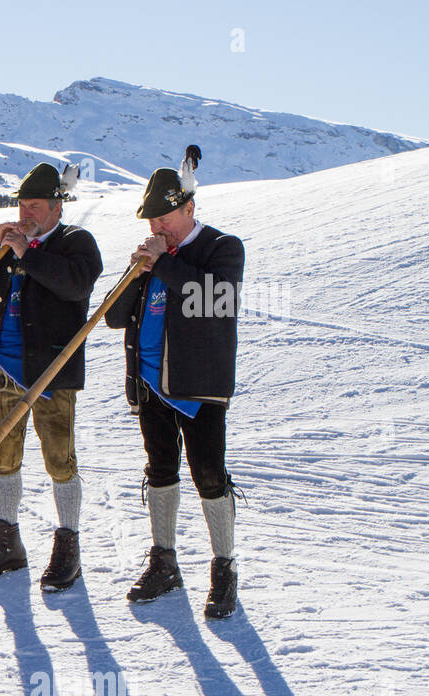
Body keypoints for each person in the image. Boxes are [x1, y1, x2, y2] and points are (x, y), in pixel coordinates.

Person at [104, 146, 245, 618]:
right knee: (159, 470)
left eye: (164, 216)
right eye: (150, 219)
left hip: (198, 385)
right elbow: (113, 318)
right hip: (149, 383)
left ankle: (224, 568)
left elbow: (216, 300)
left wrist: (163, 263)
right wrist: (134, 273)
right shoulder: (154, 257)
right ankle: (164, 561)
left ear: (188, 208)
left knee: (208, 474)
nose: (156, 227)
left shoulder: (221, 247)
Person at [0, 162, 102, 590]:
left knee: (59, 460)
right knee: (3, 459)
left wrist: (28, 253)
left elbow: (75, 285)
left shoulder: (75, 242)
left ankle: (68, 544)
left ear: (56, 207)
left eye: (34, 205)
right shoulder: (7, 243)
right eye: (21, 204)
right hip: (0, 367)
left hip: (51, 372)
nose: (25, 212)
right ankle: (8, 541)